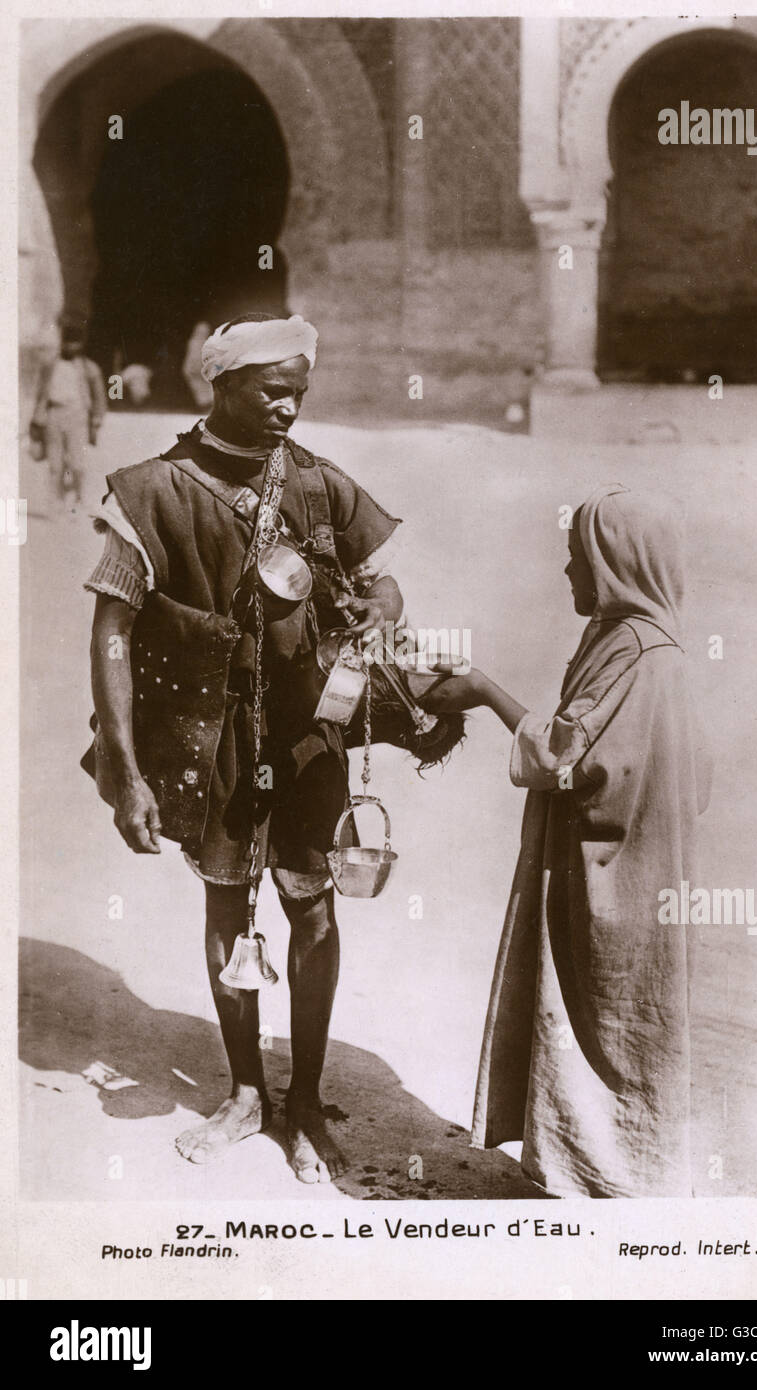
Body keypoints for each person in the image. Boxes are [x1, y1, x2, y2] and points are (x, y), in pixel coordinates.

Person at [83, 312, 404, 1183]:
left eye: (299, 392)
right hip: (209, 743)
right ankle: (245, 1091)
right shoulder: (149, 492)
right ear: (220, 387)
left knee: (314, 907)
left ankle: (304, 1103)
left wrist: (382, 610)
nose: (289, 408)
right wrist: (124, 770)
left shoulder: (315, 483)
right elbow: (110, 633)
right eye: (272, 391)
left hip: (308, 742)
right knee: (227, 910)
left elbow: (382, 581)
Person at [422, 484, 711, 1197]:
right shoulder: (623, 639)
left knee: (607, 1017)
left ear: (617, 563)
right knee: (590, 1010)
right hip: (619, 862)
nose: (568, 574)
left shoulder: (643, 655)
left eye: (578, 558)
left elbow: (562, 757)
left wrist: (485, 691)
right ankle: (577, 1165)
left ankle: (618, 1178)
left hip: (619, 872)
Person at [31, 325, 106, 513]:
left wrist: (96, 418)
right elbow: (40, 393)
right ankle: (56, 502)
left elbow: (99, 396)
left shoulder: (89, 367)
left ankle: (79, 499)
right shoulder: (50, 366)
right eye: (67, 343)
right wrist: (37, 418)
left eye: (74, 343)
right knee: (55, 463)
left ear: (80, 345)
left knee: (77, 463)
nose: (70, 347)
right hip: (54, 414)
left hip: (77, 415)